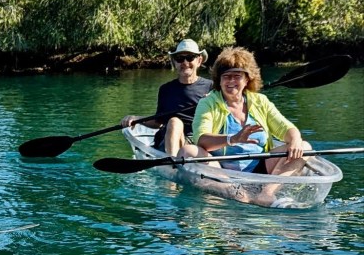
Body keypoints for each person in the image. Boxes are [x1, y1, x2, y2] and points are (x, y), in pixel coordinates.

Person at [182, 46, 310, 176]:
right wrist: (233, 138)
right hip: (221, 171)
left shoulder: (260, 101)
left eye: (237, 76)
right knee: (188, 151)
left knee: (304, 146)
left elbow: (285, 127)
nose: (231, 81)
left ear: (247, 79)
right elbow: (201, 140)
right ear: (219, 80)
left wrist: (295, 139)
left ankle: (267, 193)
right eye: (226, 76)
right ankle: (235, 192)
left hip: (261, 168)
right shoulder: (208, 103)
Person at [120, 38, 211, 155]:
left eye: (190, 57)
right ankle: (172, 163)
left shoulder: (212, 87)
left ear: (199, 61)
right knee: (174, 122)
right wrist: (136, 119)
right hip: (169, 139)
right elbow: (158, 121)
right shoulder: (166, 89)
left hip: (199, 142)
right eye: (179, 58)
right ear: (174, 62)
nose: (184, 62)